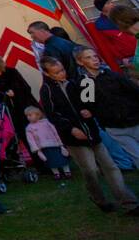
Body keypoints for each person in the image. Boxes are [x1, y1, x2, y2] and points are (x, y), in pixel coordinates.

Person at [38, 57, 139, 214]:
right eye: (57, 73)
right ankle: (99, 198)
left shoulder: (74, 83)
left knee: (110, 166)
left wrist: (90, 110)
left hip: (91, 131)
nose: (62, 74)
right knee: (91, 170)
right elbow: (52, 115)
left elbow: (89, 101)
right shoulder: (47, 90)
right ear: (48, 74)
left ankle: (129, 202)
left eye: (62, 70)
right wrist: (71, 129)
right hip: (74, 138)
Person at [73, 46, 139, 167]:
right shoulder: (85, 83)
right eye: (89, 57)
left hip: (134, 120)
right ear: (80, 62)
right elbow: (89, 106)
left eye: (95, 56)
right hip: (115, 127)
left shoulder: (112, 75)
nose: (94, 60)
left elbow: (134, 91)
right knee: (136, 156)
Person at [0, 52, 38, 162]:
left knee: (33, 131)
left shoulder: (11, 72)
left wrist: (14, 91)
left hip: (22, 106)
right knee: (18, 134)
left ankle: (45, 159)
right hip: (7, 110)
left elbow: (25, 87)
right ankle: (29, 161)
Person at [92, 0, 139, 74]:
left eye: (111, 2)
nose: (112, 4)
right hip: (128, 56)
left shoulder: (125, 18)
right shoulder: (101, 24)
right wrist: (120, 58)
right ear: (101, 7)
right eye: (108, 3)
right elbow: (107, 44)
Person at [23, 106, 72, 181]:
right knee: (50, 161)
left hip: (55, 144)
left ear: (38, 115)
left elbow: (55, 132)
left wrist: (60, 142)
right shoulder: (29, 128)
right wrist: (37, 149)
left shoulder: (47, 122)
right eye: (27, 116)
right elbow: (31, 140)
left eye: (30, 115)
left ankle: (67, 172)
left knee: (62, 158)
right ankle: (56, 173)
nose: (28, 117)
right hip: (44, 147)